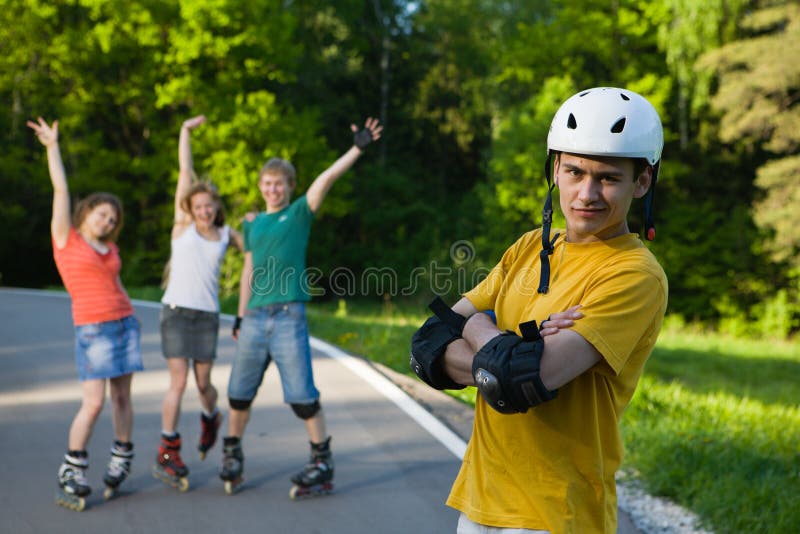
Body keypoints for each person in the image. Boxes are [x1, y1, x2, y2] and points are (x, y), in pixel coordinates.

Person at [409, 87, 668, 533]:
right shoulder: (531, 246)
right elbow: (428, 347)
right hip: (480, 501)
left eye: (607, 177)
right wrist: (509, 348)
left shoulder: (635, 276)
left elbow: (527, 380)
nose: (587, 193)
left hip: (556, 514)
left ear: (641, 181)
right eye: (574, 171)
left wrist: (478, 330)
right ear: (555, 170)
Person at [220, 117, 383, 496]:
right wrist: (240, 316)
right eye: (267, 183)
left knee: (301, 395)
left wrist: (357, 148)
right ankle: (232, 454)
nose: (273, 188)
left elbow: (325, 179)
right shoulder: (252, 224)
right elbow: (248, 270)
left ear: (289, 187)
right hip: (255, 317)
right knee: (239, 392)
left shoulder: (298, 213)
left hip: (288, 315)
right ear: (260, 187)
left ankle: (321, 461)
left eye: (279, 183)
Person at [28, 117, 144, 509]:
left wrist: (132, 314)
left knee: (123, 399)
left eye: (113, 220)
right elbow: (61, 188)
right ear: (87, 212)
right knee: (94, 402)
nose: (107, 222)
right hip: (93, 329)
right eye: (102, 214)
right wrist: (52, 147)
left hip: (124, 323)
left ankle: (121, 457)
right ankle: (72, 469)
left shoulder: (110, 251)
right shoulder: (67, 240)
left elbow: (117, 283)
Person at [153, 115, 244, 490]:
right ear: (190, 208)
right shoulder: (182, 226)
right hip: (175, 313)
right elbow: (185, 170)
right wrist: (184, 132)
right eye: (199, 206)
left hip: (207, 317)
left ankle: (211, 417)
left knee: (203, 384)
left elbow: (260, 247)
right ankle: (168, 448)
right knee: (177, 383)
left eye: (210, 206)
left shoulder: (226, 234)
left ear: (216, 208)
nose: (204, 211)